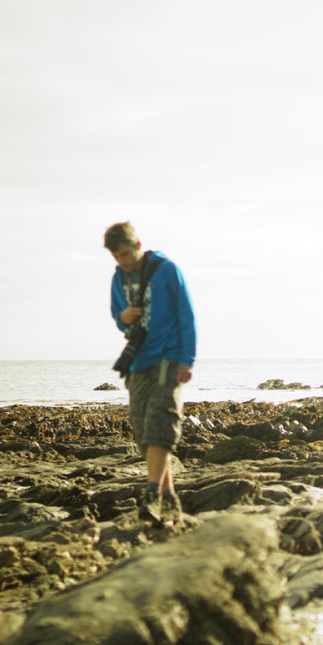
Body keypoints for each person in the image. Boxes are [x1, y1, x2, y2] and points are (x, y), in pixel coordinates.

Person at [104, 221, 196, 524]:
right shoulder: (118, 279)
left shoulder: (166, 271)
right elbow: (119, 317)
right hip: (137, 361)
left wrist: (187, 360)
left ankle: (152, 495)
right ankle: (170, 498)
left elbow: (186, 314)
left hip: (168, 358)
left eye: (126, 254)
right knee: (145, 434)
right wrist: (123, 316)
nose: (123, 261)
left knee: (161, 422)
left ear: (138, 245)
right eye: (117, 256)